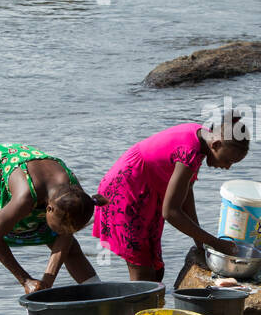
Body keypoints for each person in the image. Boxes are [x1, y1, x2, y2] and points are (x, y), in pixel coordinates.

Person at [93, 114, 249, 282]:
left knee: (156, 269)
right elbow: (171, 212)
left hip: (148, 192)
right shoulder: (190, 151)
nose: (227, 167)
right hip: (127, 191)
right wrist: (215, 243)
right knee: (142, 269)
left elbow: (186, 194)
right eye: (227, 160)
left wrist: (201, 243)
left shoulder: (203, 137)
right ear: (216, 145)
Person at [0, 144, 103, 315]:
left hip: (36, 189)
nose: (63, 233)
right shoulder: (25, 197)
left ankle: (102, 304)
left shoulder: (74, 196)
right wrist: (25, 280)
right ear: (48, 209)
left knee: (71, 249)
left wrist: (46, 282)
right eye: (60, 228)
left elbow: (66, 235)